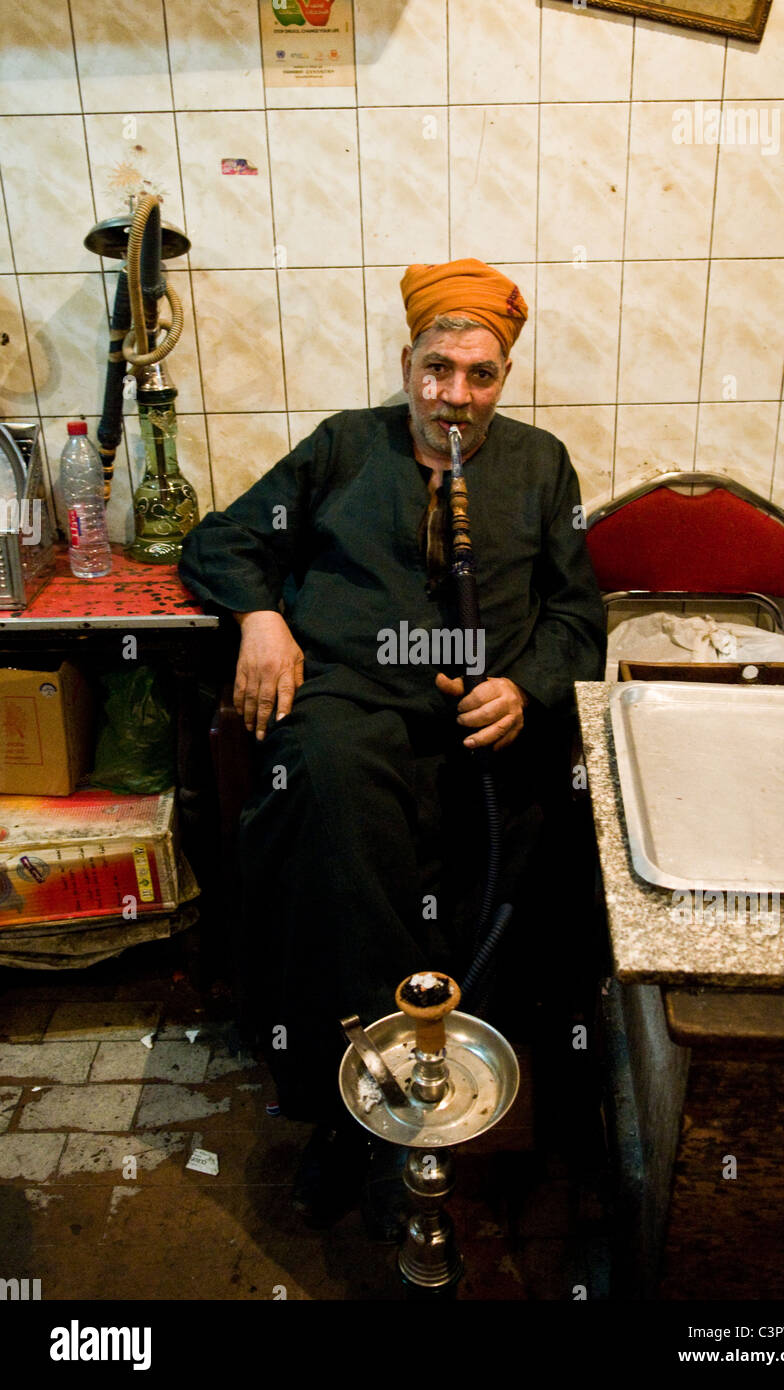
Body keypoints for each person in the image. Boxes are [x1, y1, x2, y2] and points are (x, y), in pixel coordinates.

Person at [179, 259, 607, 1236]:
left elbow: (577, 617)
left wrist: (525, 687)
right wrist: (257, 617)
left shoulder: (540, 467)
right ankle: (358, 1105)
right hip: (350, 703)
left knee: (535, 839)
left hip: (478, 720)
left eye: (480, 374)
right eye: (435, 369)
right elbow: (221, 542)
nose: (455, 395)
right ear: (403, 362)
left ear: (505, 374)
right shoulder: (342, 447)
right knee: (323, 791)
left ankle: (480, 1103)